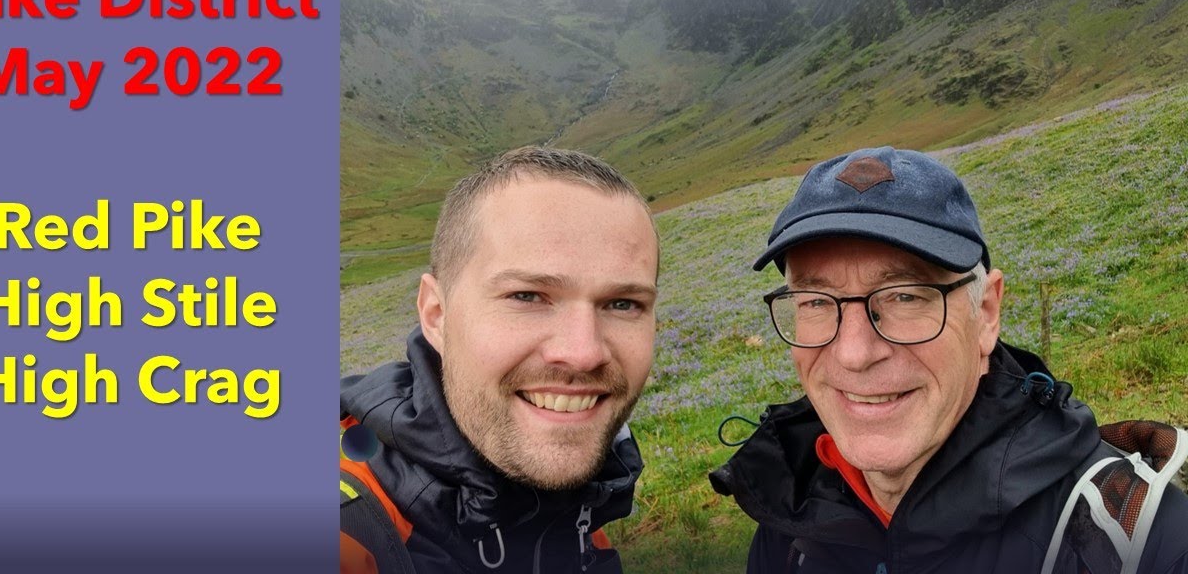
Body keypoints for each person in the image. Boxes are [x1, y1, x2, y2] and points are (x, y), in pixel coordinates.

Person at [710, 146, 1188, 573]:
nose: (854, 354)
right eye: (815, 300)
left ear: (985, 314)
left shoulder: (1138, 542)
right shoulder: (790, 519)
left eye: (904, 297)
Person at [340, 146, 660, 574]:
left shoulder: (577, 511)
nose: (583, 353)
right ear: (436, 315)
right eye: (526, 296)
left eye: (623, 303)